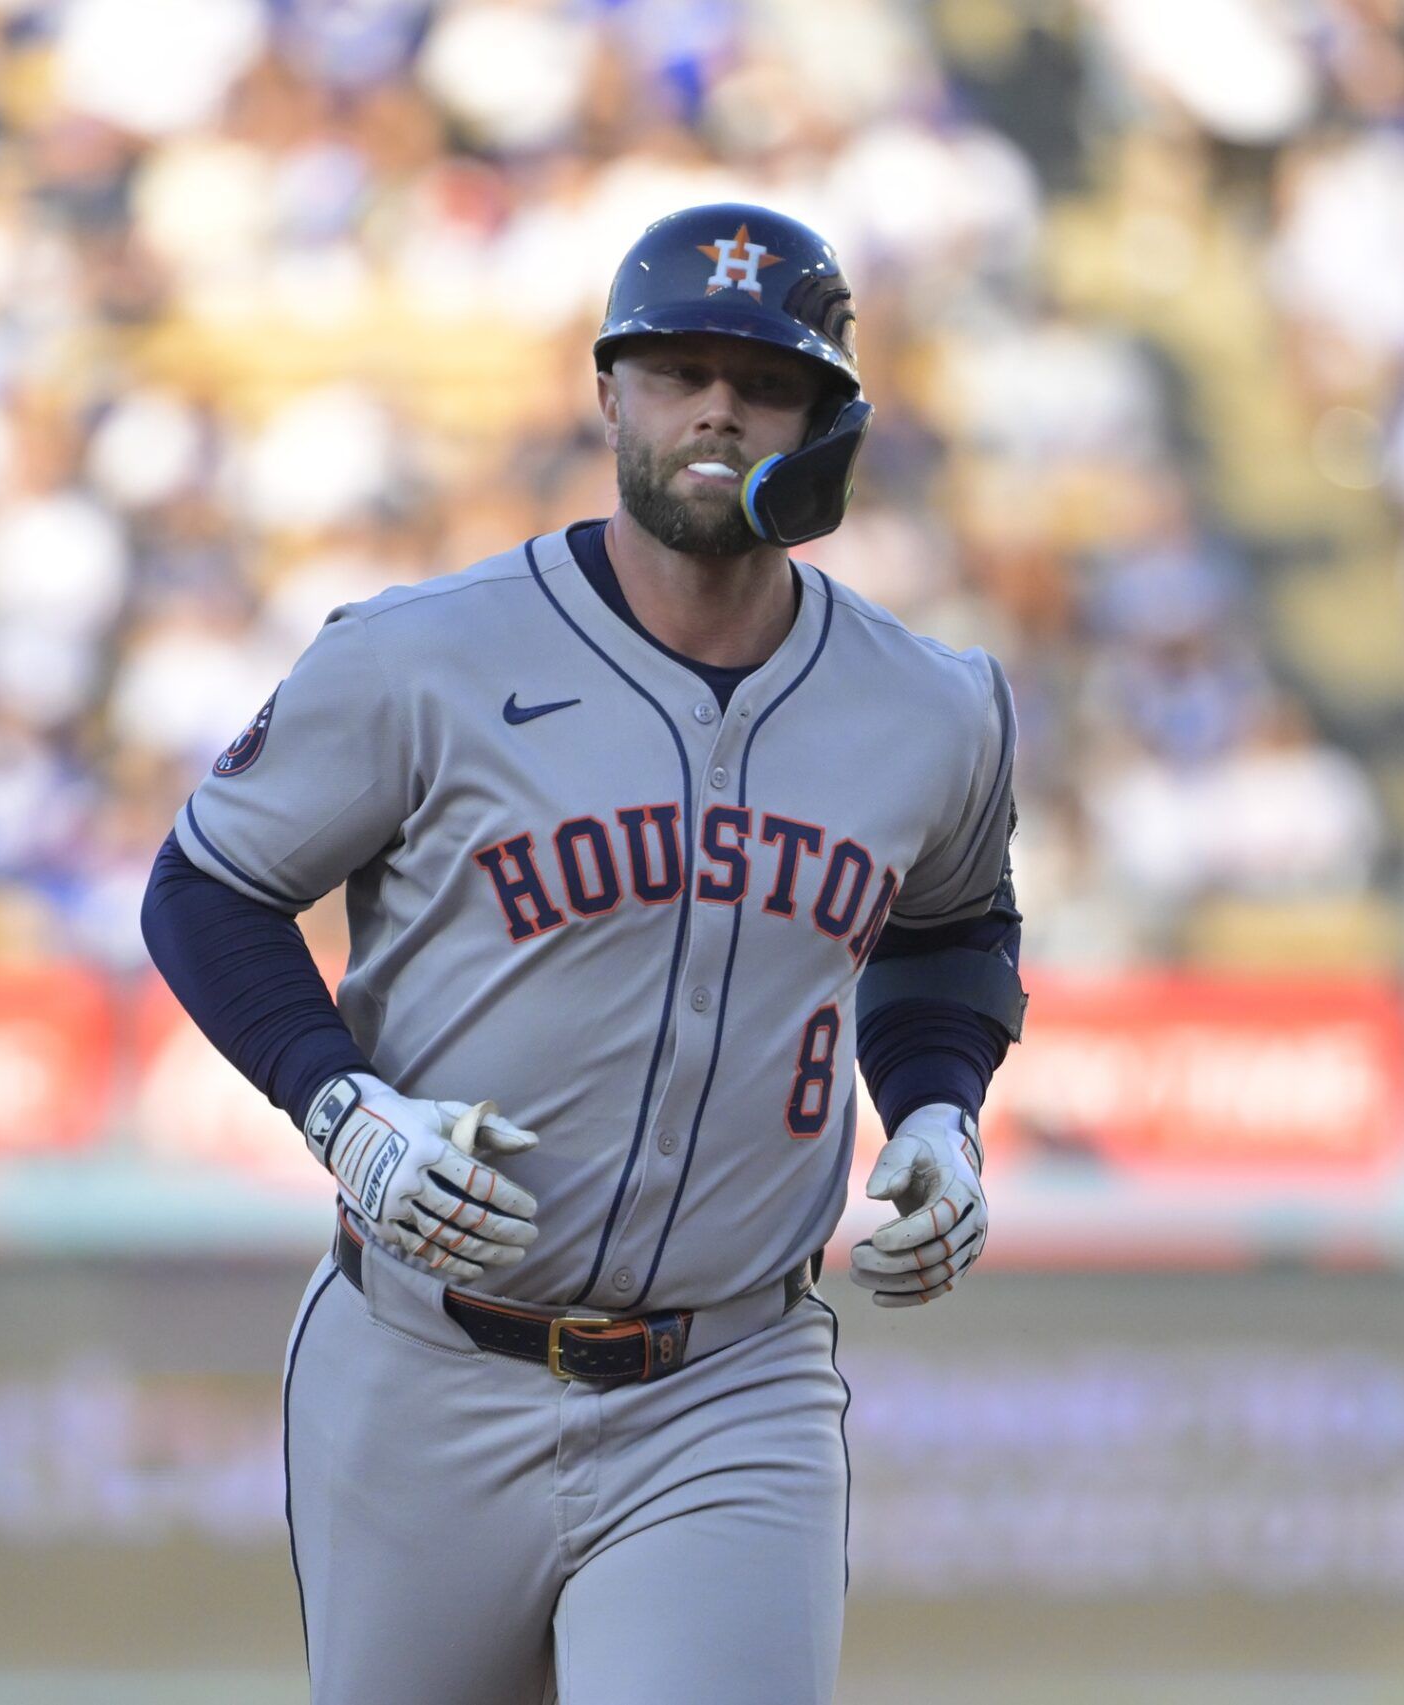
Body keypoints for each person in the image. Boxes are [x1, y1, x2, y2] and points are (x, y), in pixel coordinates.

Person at [142, 202, 1025, 1705]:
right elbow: (204, 889)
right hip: (420, 1362)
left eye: (762, 377)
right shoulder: (422, 653)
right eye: (676, 368)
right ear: (608, 390)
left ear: (830, 417)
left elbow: (954, 926)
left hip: (728, 1379)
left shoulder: (929, 705)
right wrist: (339, 1108)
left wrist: (939, 1103)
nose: (717, 407)